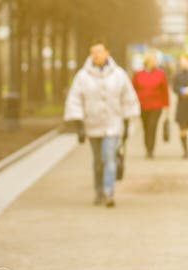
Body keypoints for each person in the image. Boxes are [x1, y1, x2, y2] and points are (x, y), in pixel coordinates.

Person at [64, 40, 140, 208]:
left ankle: (108, 192)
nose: (96, 55)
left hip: (113, 125)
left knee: (109, 158)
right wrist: (79, 125)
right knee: (98, 161)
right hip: (93, 125)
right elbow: (75, 100)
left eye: (99, 51)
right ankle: (98, 190)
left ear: (107, 53)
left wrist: (127, 123)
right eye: (93, 52)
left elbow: (127, 98)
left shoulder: (119, 75)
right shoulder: (82, 77)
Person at [132, 52, 170, 159]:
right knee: (145, 127)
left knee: (152, 126)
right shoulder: (138, 74)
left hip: (156, 105)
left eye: (155, 61)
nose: (154, 63)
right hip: (142, 105)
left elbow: (164, 91)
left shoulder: (160, 74)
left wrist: (166, 105)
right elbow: (133, 89)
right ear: (147, 62)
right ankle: (146, 146)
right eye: (152, 61)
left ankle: (150, 149)